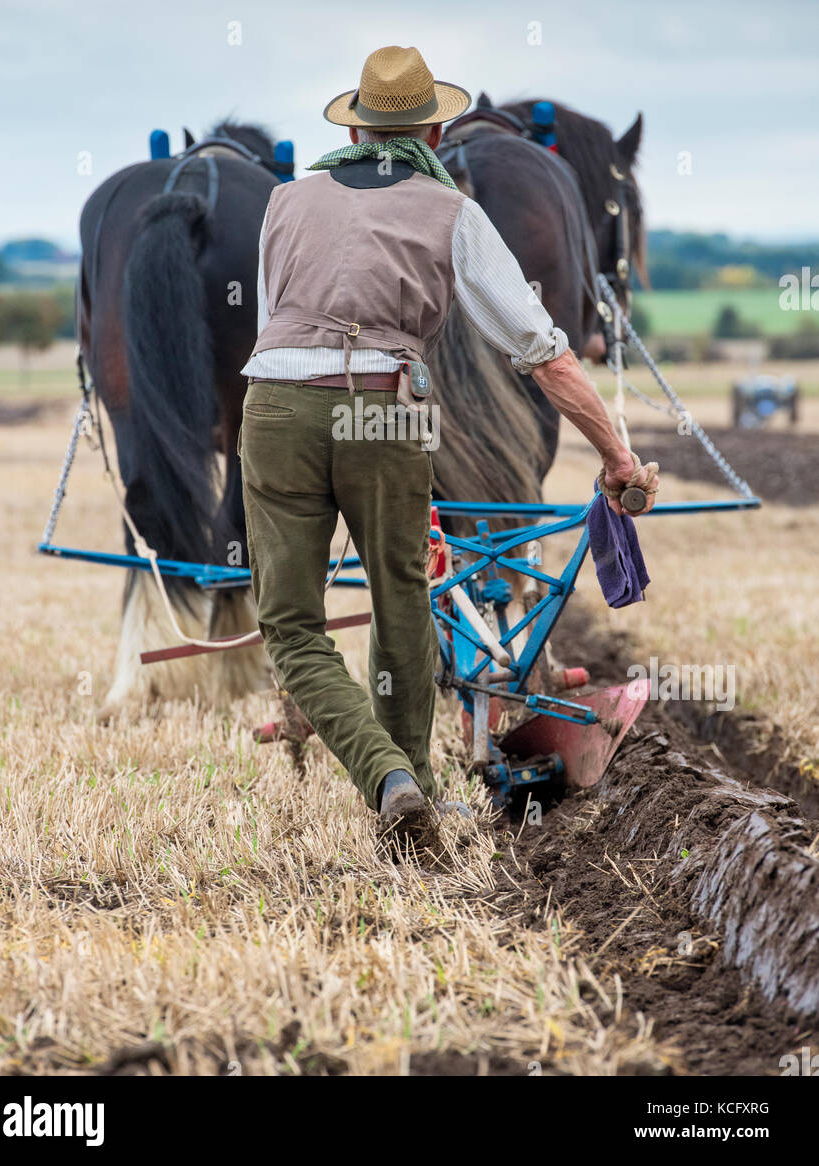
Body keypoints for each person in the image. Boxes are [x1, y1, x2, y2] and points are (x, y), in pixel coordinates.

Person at [239, 45, 659, 847]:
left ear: (356, 126)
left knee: (292, 627)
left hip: (279, 407)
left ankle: (389, 778)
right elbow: (545, 352)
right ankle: (410, 781)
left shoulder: (285, 202)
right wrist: (617, 458)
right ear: (435, 129)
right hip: (388, 413)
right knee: (403, 600)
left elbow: (274, 326)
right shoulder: (452, 212)